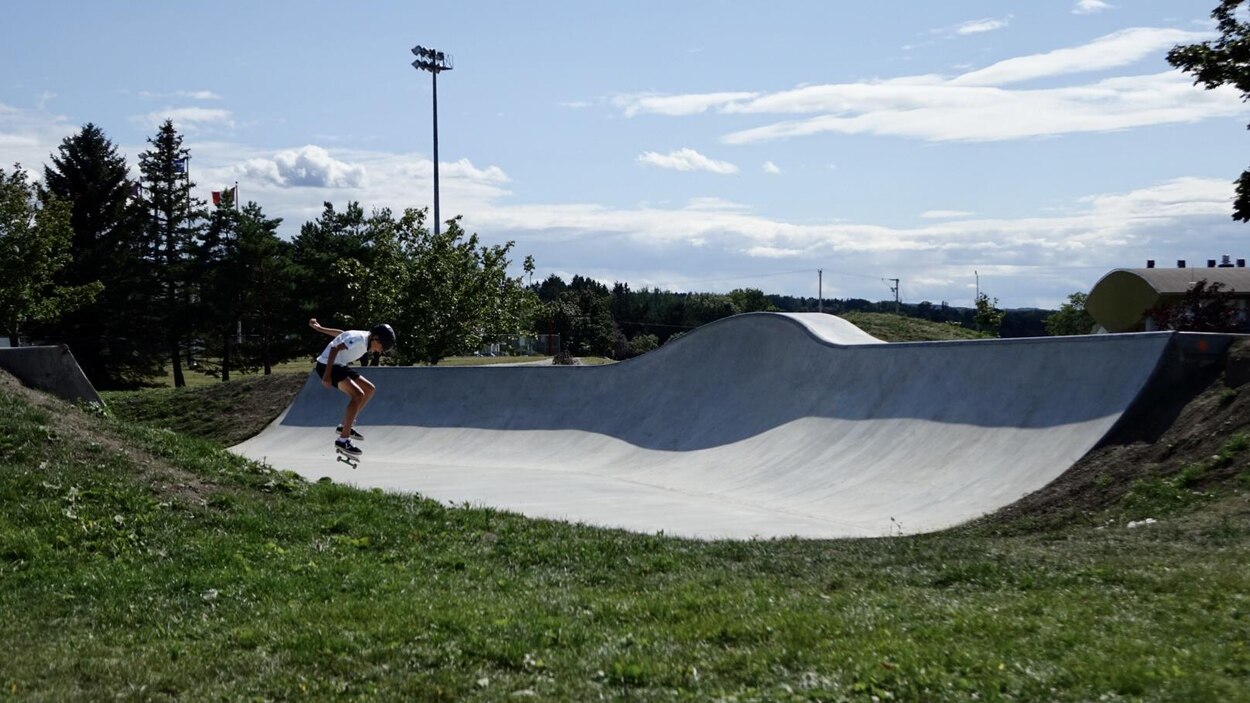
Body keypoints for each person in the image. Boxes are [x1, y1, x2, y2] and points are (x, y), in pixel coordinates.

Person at [308, 318, 396, 457]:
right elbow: (335, 348)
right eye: (382, 347)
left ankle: (345, 425)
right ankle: (343, 439)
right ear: (376, 338)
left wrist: (320, 328)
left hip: (340, 365)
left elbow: (342, 334)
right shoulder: (360, 341)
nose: (381, 351)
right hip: (328, 366)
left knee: (369, 389)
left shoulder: (364, 336)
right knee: (358, 395)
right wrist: (327, 375)